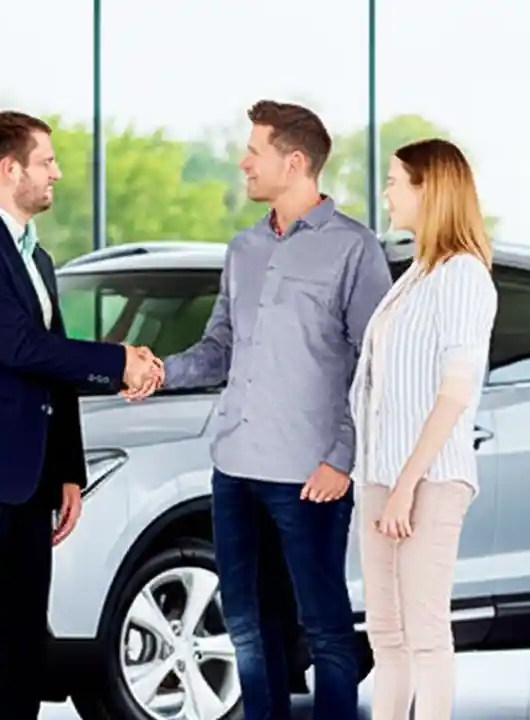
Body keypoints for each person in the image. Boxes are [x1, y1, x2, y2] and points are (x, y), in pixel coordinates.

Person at [127, 100, 393, 719]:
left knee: (324, 628)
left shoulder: (354, 250)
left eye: (255, 151)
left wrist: (341, 459)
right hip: (236, 468)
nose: (243, 162)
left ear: (295, 161)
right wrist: (161, 373)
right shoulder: (243, 249)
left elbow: (373, 367)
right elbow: (220, 348)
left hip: (310, 476)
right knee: (247, 626)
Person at [0, 110, 161, 720]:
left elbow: (50, 369)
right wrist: (120, 359)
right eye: (46, 161)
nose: (57, 173)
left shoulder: (39, 258)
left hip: (29, 480)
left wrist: (68, 469)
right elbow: (17, 347)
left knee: (24, 641)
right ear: (9, 169)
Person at [350, 138, 498, 720]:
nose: (385, 192)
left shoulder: (462, 276)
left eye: (394, 181)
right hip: (381, 476)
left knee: (426, 632)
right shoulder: (413, 275)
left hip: (429, 480)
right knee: (387, 637)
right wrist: (379, 481)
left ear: (428, 190)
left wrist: (408, 484)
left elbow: (455, 391)